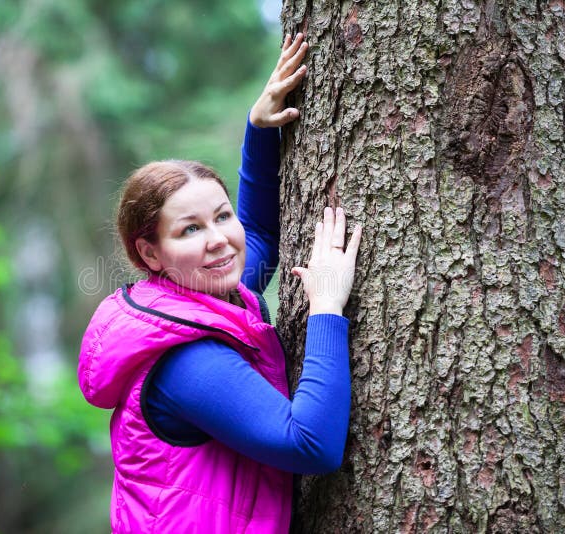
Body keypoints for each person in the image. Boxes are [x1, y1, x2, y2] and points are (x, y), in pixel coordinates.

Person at [78, 33, 362, 534]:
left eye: (221, 216)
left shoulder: (205, 294)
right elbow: (309, 445)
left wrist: (259, 128)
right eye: (189, 229)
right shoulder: (186, 362)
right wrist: (326, 309)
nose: (219, 242)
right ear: (150, 253)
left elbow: (259, 233)